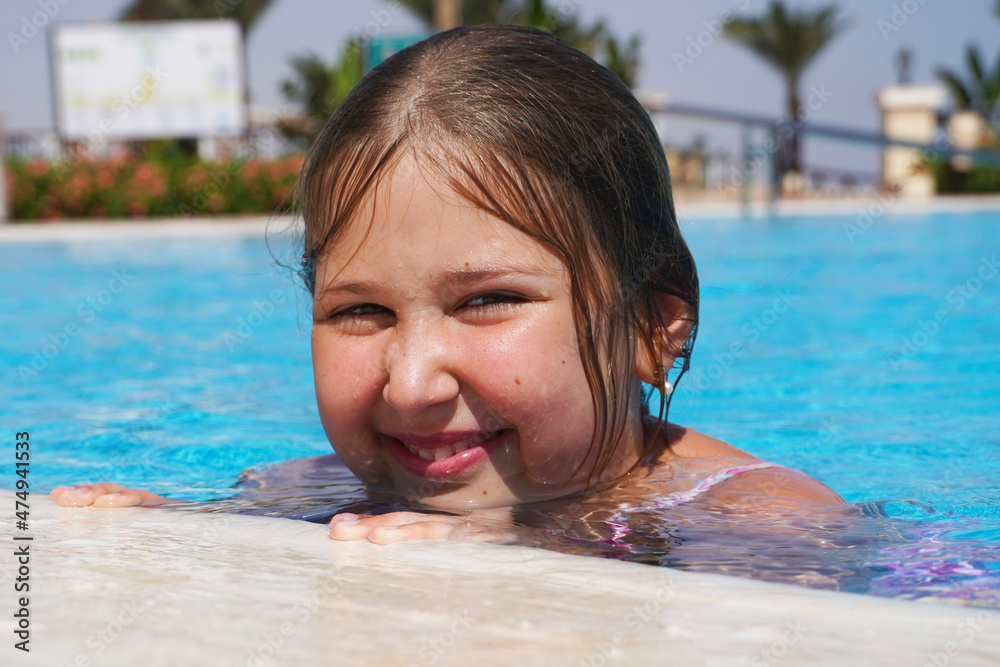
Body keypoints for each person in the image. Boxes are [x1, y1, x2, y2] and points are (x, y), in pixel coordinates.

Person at [50, 25, 843, 550]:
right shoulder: (304, 486)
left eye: (487, 300)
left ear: (651, 329)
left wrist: (537, 549)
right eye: (360, 310)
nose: (413, 381)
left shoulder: (760, 517)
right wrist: (180, 530)